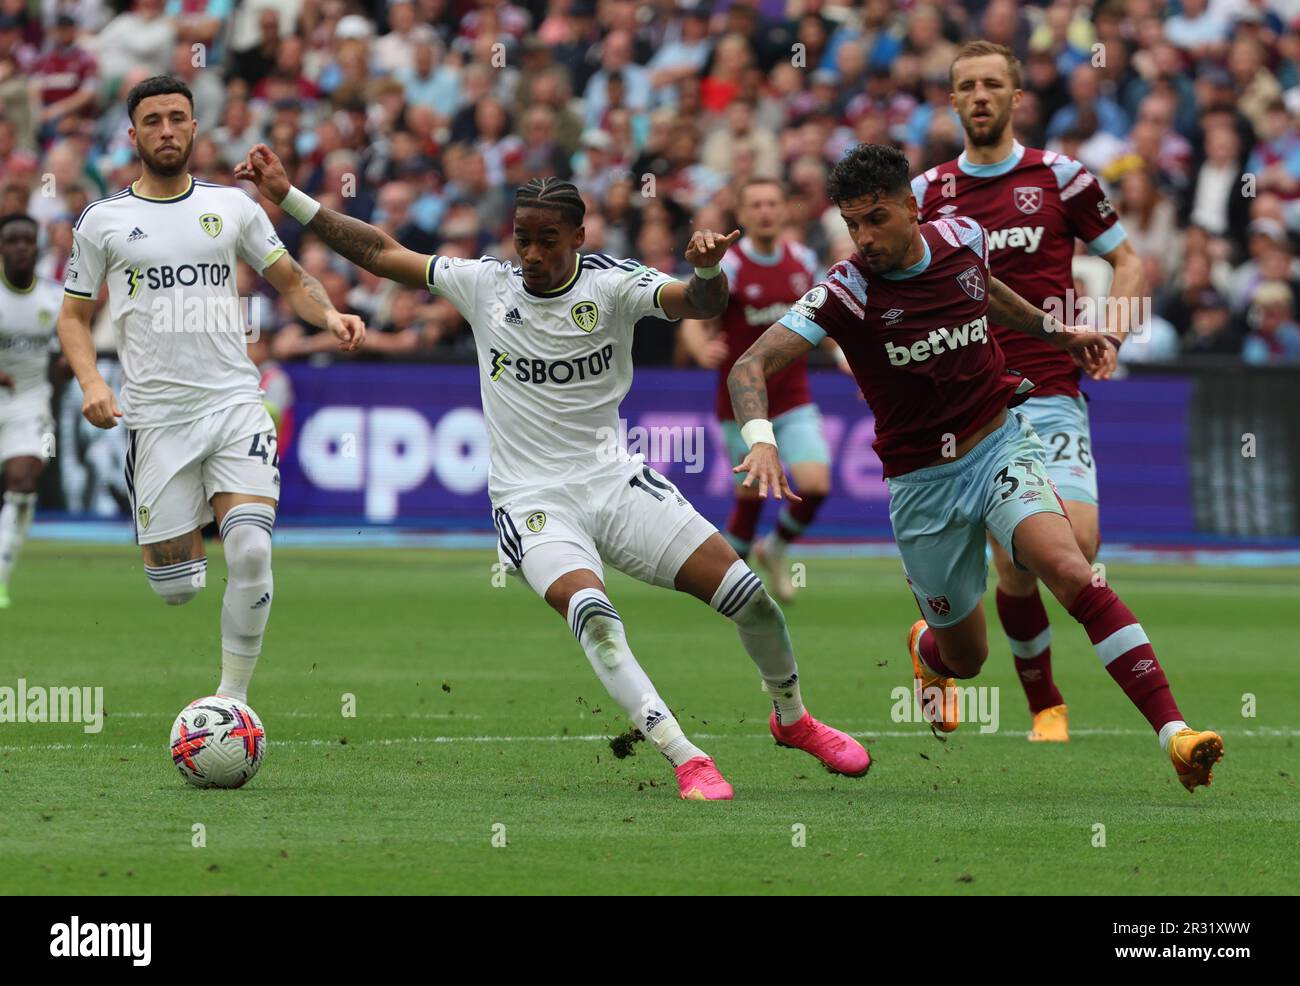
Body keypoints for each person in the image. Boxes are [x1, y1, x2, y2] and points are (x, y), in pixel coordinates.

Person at [235, 143, 871, 801]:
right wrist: (289, 197)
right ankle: (686, 756)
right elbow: (379, 252)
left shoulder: (615, 285)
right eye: (522, 241)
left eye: (546, 241)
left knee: (751, 599)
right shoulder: (485, 284)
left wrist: (709, 272)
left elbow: (700, 304)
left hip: (615, 480)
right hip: (531, 498)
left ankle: (793, 719)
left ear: (578, 235)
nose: (531, 256)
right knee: (594, 615)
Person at [729, 142, 1223, 793]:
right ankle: (927, 650)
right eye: (854, 224)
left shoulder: (963, 236)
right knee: (965, 656)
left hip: (999, 446)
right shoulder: (846, 290)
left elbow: (985, 293)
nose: (865, 237)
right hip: (921, 487)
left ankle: (1176, 735)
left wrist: (1058, 334)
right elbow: (749, 366)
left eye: (877, 218)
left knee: (1071, 564)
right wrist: (762, 438)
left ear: (911, 207)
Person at [57, 76, 366, 704]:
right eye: (153, 121)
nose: (166, 130)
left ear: (195, 127)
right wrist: (92, 381)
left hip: (233, 406)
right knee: (177, 587)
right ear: (133, 134)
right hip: (156, 418)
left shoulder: (234, 207)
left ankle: (232, 703)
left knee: (250, 549)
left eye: (178, 118)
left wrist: (329, 314)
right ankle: (180, 533)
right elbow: (72, 316)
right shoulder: (103, 220)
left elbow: (289, 278)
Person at [912, 40, 1147, 742]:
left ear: (1017, 99)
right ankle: (1044, 702)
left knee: (1077, 541)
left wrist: (1113, 331)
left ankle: (955, 654)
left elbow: (1128, 260)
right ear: (952, 101)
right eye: (966, 86)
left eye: (992, 85)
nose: (979, 96)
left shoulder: (1064, 178)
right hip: (972, 403)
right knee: (1019, 558)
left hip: (1050, 383)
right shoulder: (927, 194)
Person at [0, 214, 64, 608]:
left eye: (28, 240)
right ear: (1, 249)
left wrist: (73, 364)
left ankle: (1, 577)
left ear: (37, 248)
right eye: (12, 241)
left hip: (31, 405)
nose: (21, 247)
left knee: (23, 482)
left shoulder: (54, 298)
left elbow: (74, 343)